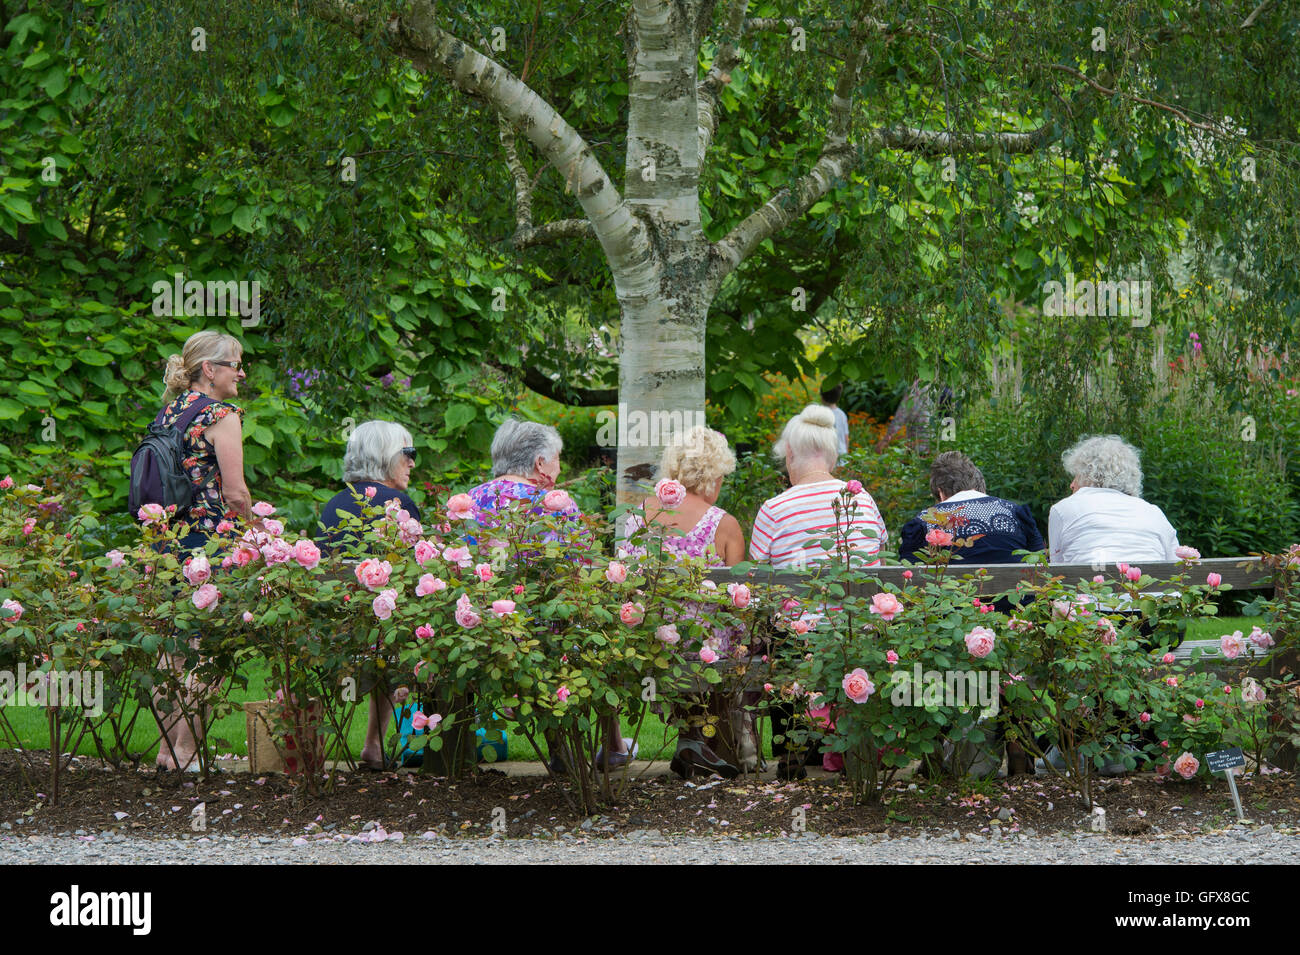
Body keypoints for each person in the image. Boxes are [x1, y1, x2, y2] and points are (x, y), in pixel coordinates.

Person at [465, 419, 631, 772]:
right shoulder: (554, 504)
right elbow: (584, 566)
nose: (560, 467)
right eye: (557, 458)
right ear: (540, 463)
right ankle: (600, 747)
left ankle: (569, 750)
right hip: (551, 631)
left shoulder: (471, 501)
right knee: (597, 630)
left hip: (485, 628)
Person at [750, 405, 888, 779]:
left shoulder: (774, 509)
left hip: (798, 640)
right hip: (854, 632)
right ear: (831, 455)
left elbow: (758, 582)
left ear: (790, 454)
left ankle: (793, 752)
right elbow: (880, 559)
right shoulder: (863, 500)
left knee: (780, 631)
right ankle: (852, 748)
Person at [622, 426, 753, 778]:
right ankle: (700, 740)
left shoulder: (640, 516)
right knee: (728, 632)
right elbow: (738, 603)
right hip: (706, 649)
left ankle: (690, 738)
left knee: (683, 631)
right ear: (711, 476)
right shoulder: (723, 524)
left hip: (649, 643)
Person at [153, 330, 255, 771]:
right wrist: (255, 530)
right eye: (235, 363)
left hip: (165, 543)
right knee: (209, 648)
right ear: (209, 370)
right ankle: (187, 753)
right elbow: (234, 493)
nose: (242, 372)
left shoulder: (168, 413)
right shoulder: (222, 414)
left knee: (172, 651)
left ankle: (164, 752)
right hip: (210, 545)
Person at [319, 420, 421, 771]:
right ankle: (374, 746)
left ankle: (316, 748)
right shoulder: (401, 504)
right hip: (386, 633)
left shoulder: (333, 505)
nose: (412, 462)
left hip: (335, 632)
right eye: (406, 454)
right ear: (384, 457)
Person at [1049, 435, 1180, 564]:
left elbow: (1056, 568)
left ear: (1087, 475)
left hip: (1090, 584)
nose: (1071, 484)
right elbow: (1177, 566)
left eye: (1076, 476)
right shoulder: (1153, 512)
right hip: (1151, 584)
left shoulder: (1062, 509)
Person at [899, 451, 1044, 565]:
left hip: (951, 602)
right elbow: (1040, 561)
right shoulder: (1016, 513)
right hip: (1017, 601)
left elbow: (910, 575)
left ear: (941, 493)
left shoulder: (924, 522)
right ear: (979, 487)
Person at [820, 383, 850, 462]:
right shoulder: (842, 414)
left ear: (822, 397)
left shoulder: (820, 413)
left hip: (826, 456)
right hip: (842, 454)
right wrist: (846, 453)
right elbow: (846, 437)